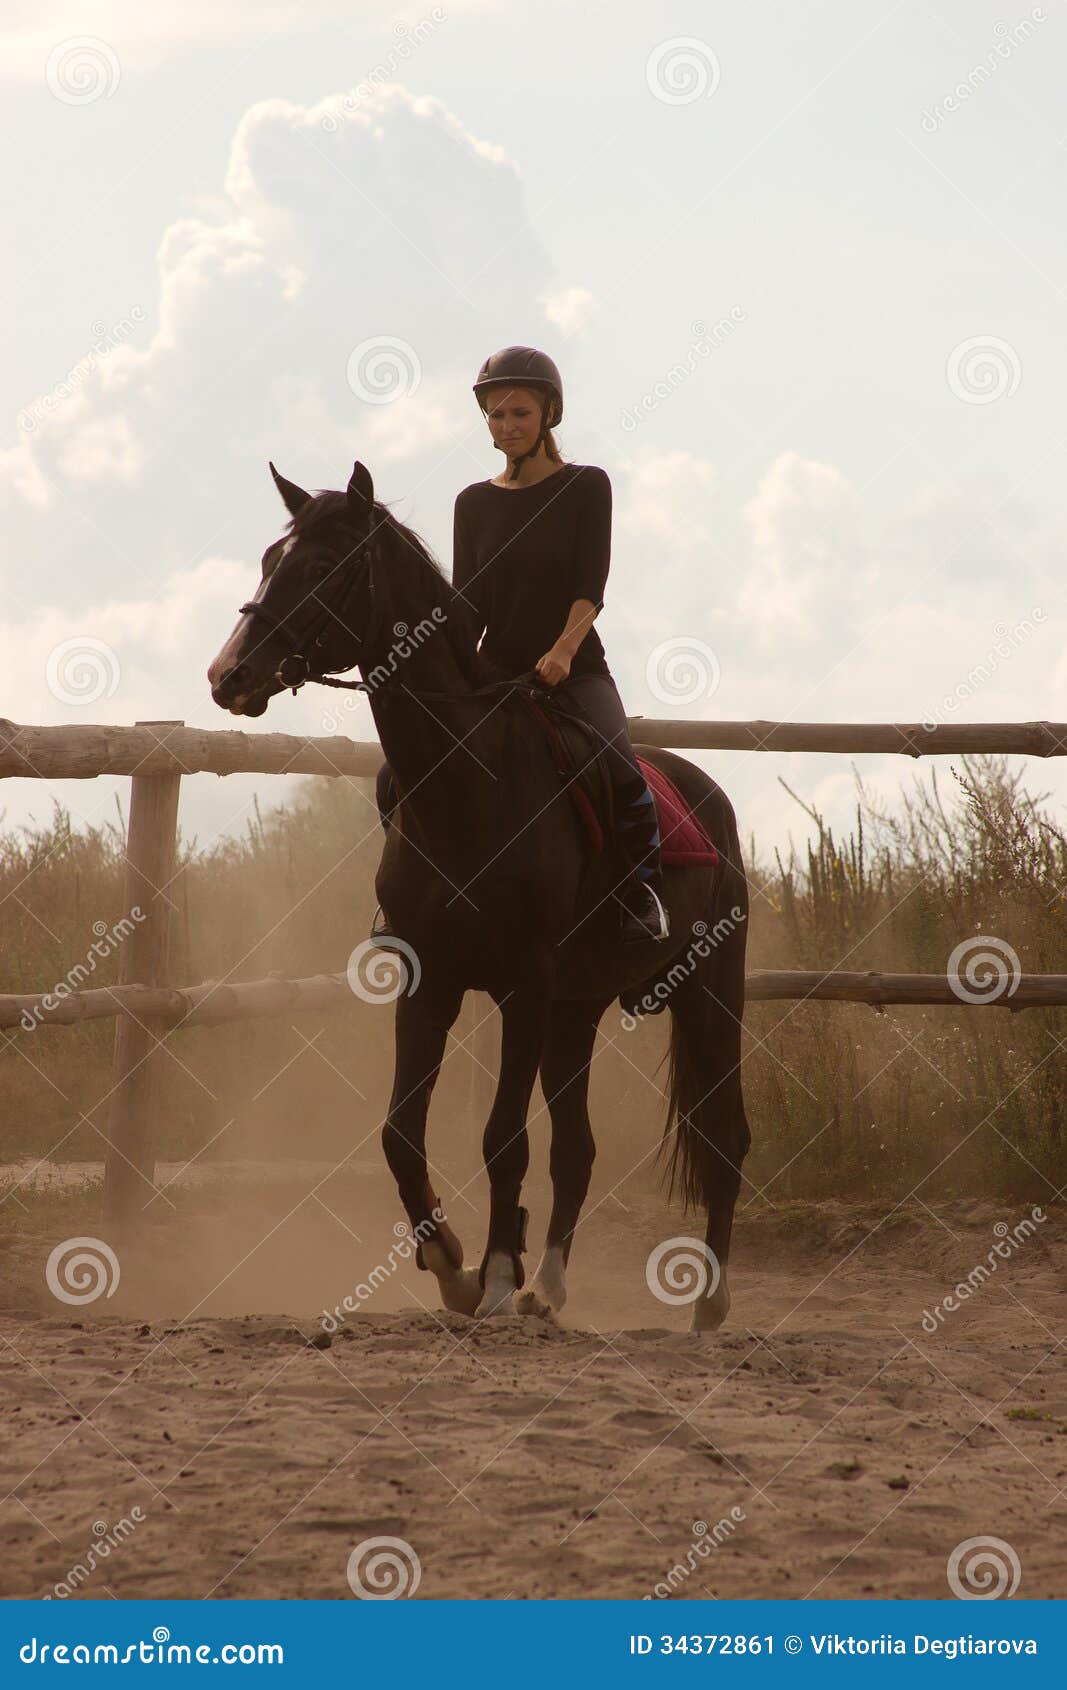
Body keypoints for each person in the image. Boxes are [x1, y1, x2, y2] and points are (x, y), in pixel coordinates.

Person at [372, 344, 669, 946]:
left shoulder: (587, 487)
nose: (506, 427)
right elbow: (470, 604)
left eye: (520, 415)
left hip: (576, 671)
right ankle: (409, 901)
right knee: (394, 776)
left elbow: (591, 586)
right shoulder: (472, 503)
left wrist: (561, 652)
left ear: (549, 416)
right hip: (497, 674)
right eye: (495, 415)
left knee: (620, 770)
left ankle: (640, 893)